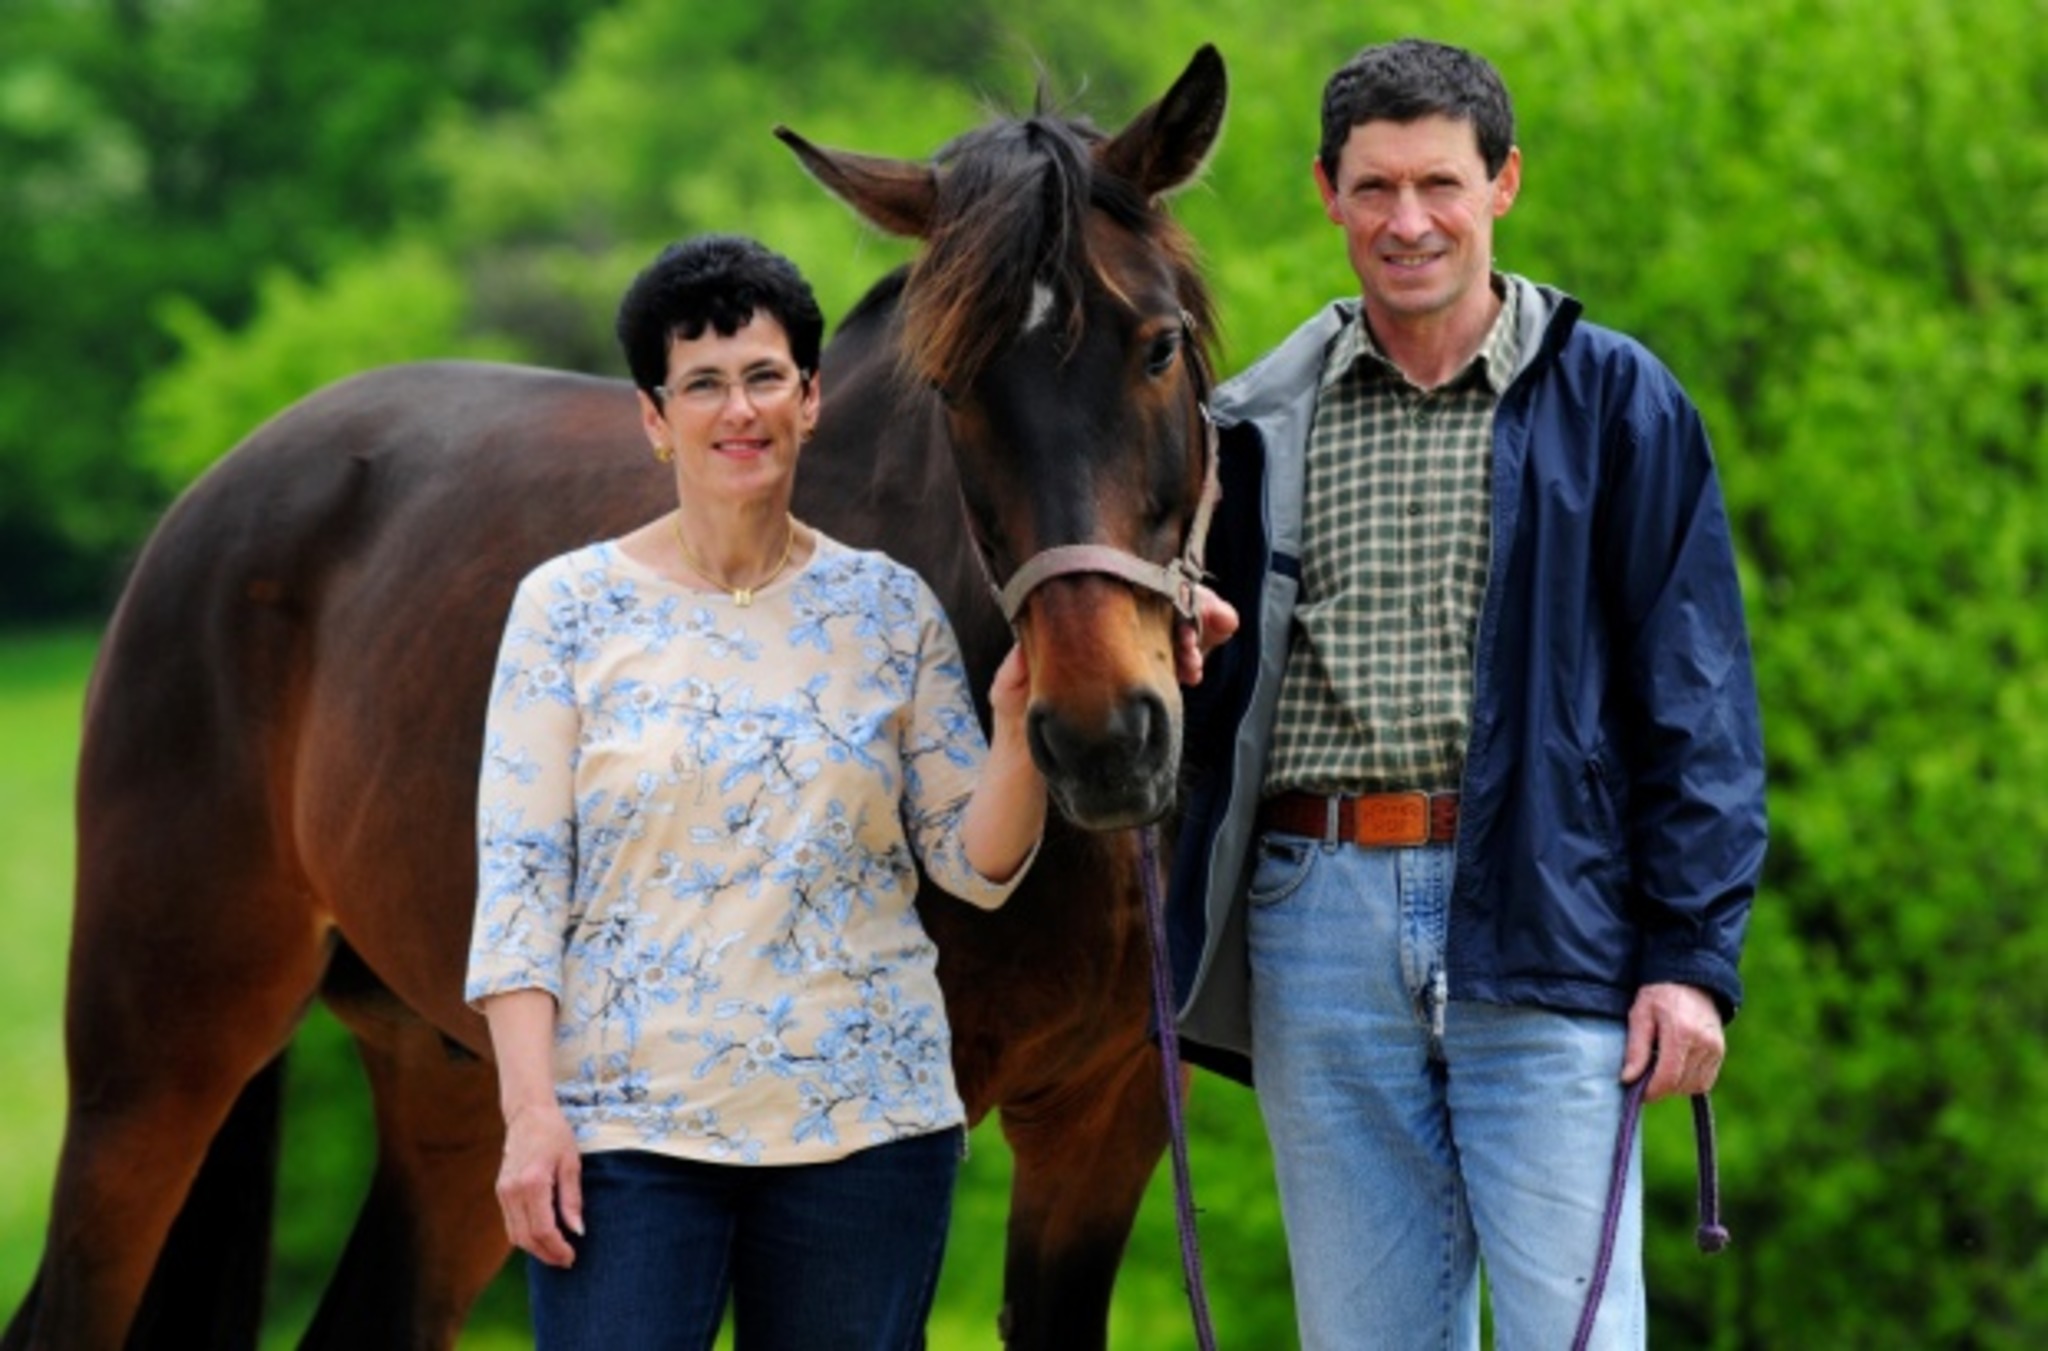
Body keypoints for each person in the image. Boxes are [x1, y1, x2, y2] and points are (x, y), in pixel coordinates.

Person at [1168, 38, 1767, 1349]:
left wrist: (1692, 959)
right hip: (1312, 912)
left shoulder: (1618, 404)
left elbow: (1699, 700)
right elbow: (1189, 716)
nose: (1408, 221)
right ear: (1326, 190)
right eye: (1374, 188)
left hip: (1552, 909)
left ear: (1503, 183)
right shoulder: (1252, 425)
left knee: (1574, 1332)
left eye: (1439, 183)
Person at [464, 233, 1047, 1349]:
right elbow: (521, 888)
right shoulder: (568, 609)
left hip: (865, 1136)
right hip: (623, 1137)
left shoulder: (888, 607)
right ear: (654, 416)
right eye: (703, 385)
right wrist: (529, 1112)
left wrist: (1017, 727)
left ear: (811, 397)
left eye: (765, 377)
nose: (740, 410)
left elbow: (972, 864)